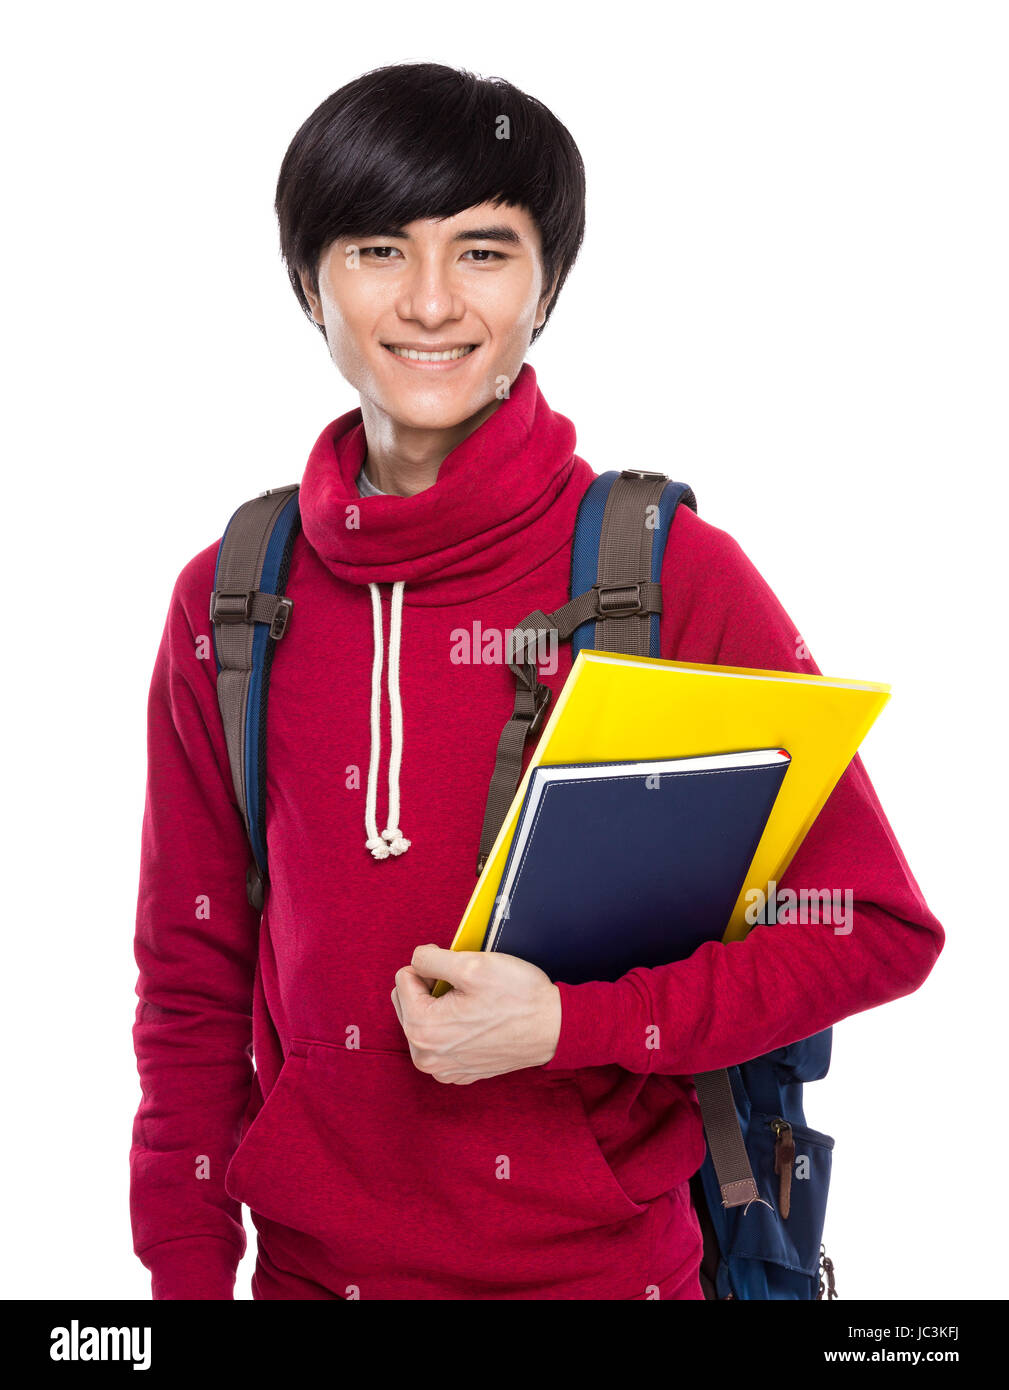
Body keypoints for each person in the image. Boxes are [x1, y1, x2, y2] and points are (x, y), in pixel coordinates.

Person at [130, 61, 944, 1301]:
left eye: (484, 251)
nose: (431, 302)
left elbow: (869, 930)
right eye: (376, 249)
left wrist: (576, 1026)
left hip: (605, 1280)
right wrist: (183, 1287)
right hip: (310, 1281)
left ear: (546, 287)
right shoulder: (230, 600)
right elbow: (192, 988)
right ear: (309, 282)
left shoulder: (668, 577)